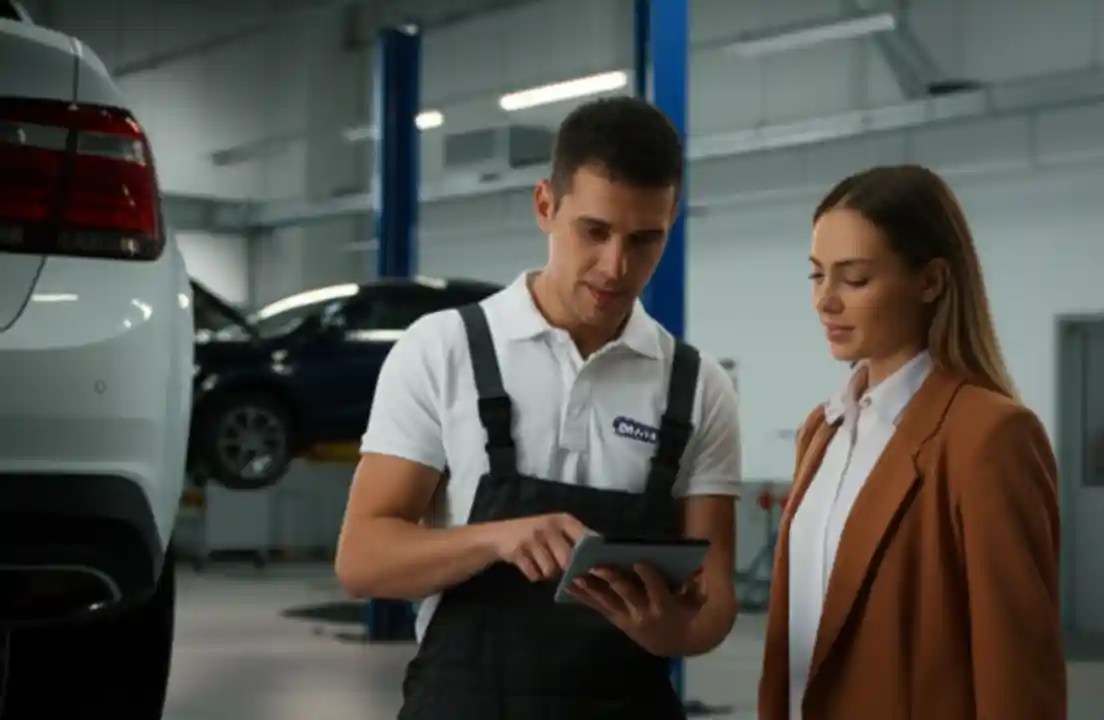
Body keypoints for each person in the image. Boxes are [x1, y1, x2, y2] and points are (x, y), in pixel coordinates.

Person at [334, 96, 742, 720]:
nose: (617, 267)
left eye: (645, 239)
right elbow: (363, 559)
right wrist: (498, 540)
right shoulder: (444, 351)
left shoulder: (697, 386)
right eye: (595, 232)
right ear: (546, 205)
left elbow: (713, 606)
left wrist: (670, 632)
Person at [757, 165, 1067, 720]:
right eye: (816, 276)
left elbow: (1018, 674)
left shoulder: (989, 437)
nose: (825, 301)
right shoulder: (822, 431)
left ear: (930, 281)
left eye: (853, 279)